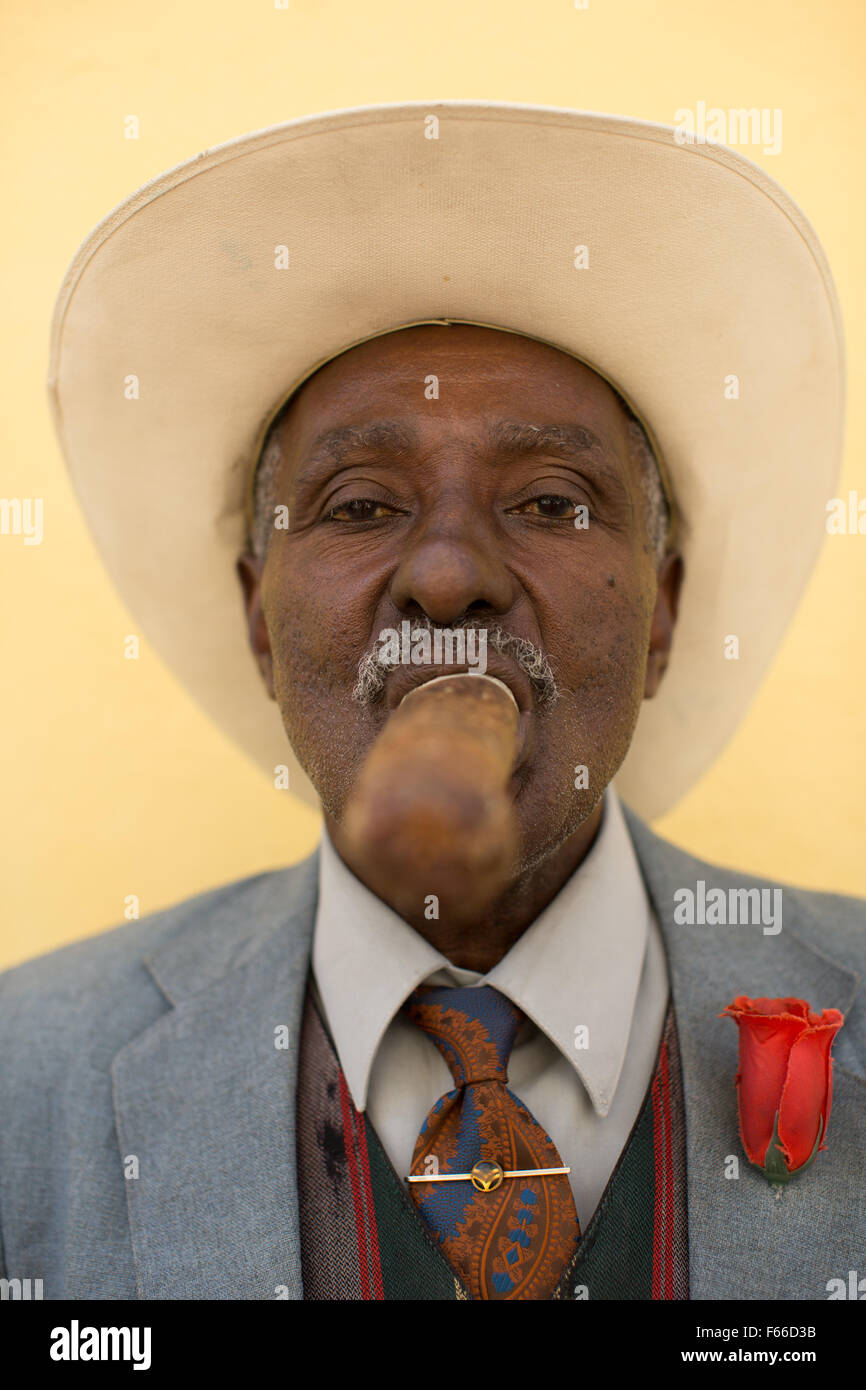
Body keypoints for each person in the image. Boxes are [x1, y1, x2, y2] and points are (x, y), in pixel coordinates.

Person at [1, 101, 863, 1301]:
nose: (449, 574)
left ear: (660, 615)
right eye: (358, 505)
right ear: (260, 619)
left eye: (551, 501)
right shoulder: (23, 1076)